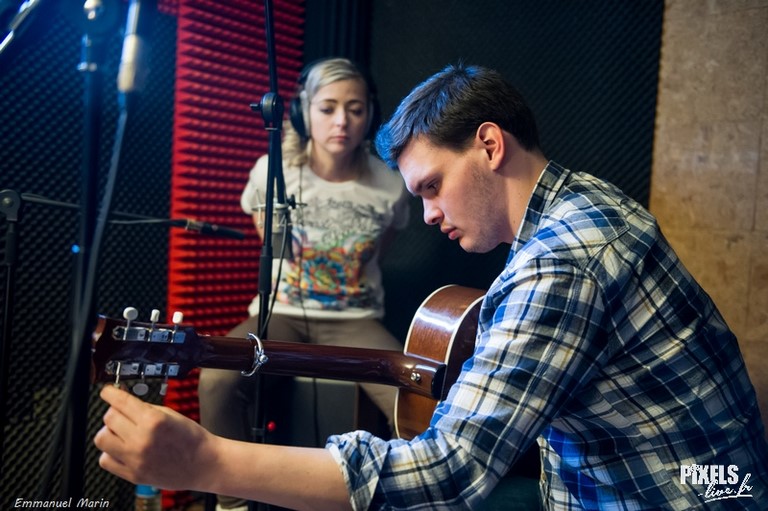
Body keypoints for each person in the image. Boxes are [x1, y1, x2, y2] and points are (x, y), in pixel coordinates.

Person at [95, 63, 768, 510]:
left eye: (432, 186)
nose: (427, 214)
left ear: (489, 145)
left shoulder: (561, 260)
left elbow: (447, 469)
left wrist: (207, 459)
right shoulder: (584, 201)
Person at [197, 57, 409, 511]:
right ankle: (231, 502)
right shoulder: (269, 173)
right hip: (280, 315)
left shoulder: (391, 184)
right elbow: (267, 245)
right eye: (328, 107)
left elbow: (379, 252)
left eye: (355, 108)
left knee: (415, 398)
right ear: (301, 112)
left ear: (371, 112)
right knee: (216, 379)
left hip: (356, 319)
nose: (342, 121)